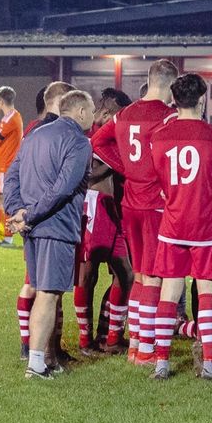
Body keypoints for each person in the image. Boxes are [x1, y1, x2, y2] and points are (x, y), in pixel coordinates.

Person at [146, 73, 212, 380]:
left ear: (175, 100)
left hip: (172, 223)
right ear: (201, 100)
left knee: (170, 291)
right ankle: (210, 364)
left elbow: (159, 178)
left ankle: (161, 362)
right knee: (208, 291)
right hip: (206, 227)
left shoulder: (158, 136)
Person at [91, 59, 179, 365]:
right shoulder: (169, 116)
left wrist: (124, 166)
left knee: (141, 276)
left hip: (129, 204)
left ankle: (136, 346)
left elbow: (97, 142)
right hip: (155, 204)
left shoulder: (125, 114)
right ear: (171, 85)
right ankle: (145, 350)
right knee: (153, 277)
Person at [5, 89, 94, 379]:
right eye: (91, 112)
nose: (93, 118)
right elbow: (63, 188)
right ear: (80, 112)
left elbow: (12, 174)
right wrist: (29, 214)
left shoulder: (34, 135)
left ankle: (41, 360)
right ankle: (36, 364)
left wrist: (17, 210)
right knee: (48, 294)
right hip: (55, 227)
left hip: (31, 229)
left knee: (43, 293)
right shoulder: (79, 142)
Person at [13, 82, 75, 362]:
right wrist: (23, 211)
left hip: (35, 217)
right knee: (38, 288)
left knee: (49, 289)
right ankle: (34, 348)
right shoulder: (40, 131)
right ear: (57, 101)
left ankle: (51, 349)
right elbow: (18, 174)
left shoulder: (46, 130)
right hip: (42, 220)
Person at [73, 90, 134, 355]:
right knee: (88, 273)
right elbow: (86, 173)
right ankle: (86, 341)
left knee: (126, 273)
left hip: (116, 209)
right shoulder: (90, 135)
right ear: (109, 112)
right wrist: (116, 164)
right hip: (94, 206)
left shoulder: (116, 136)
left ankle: (110, 335)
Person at [0, 86, 24, 244]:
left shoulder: (10, 120)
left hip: (6, 166)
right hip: (1, 165)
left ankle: (7, 237)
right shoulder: (11, 117)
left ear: (0, 101)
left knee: (3, 201)